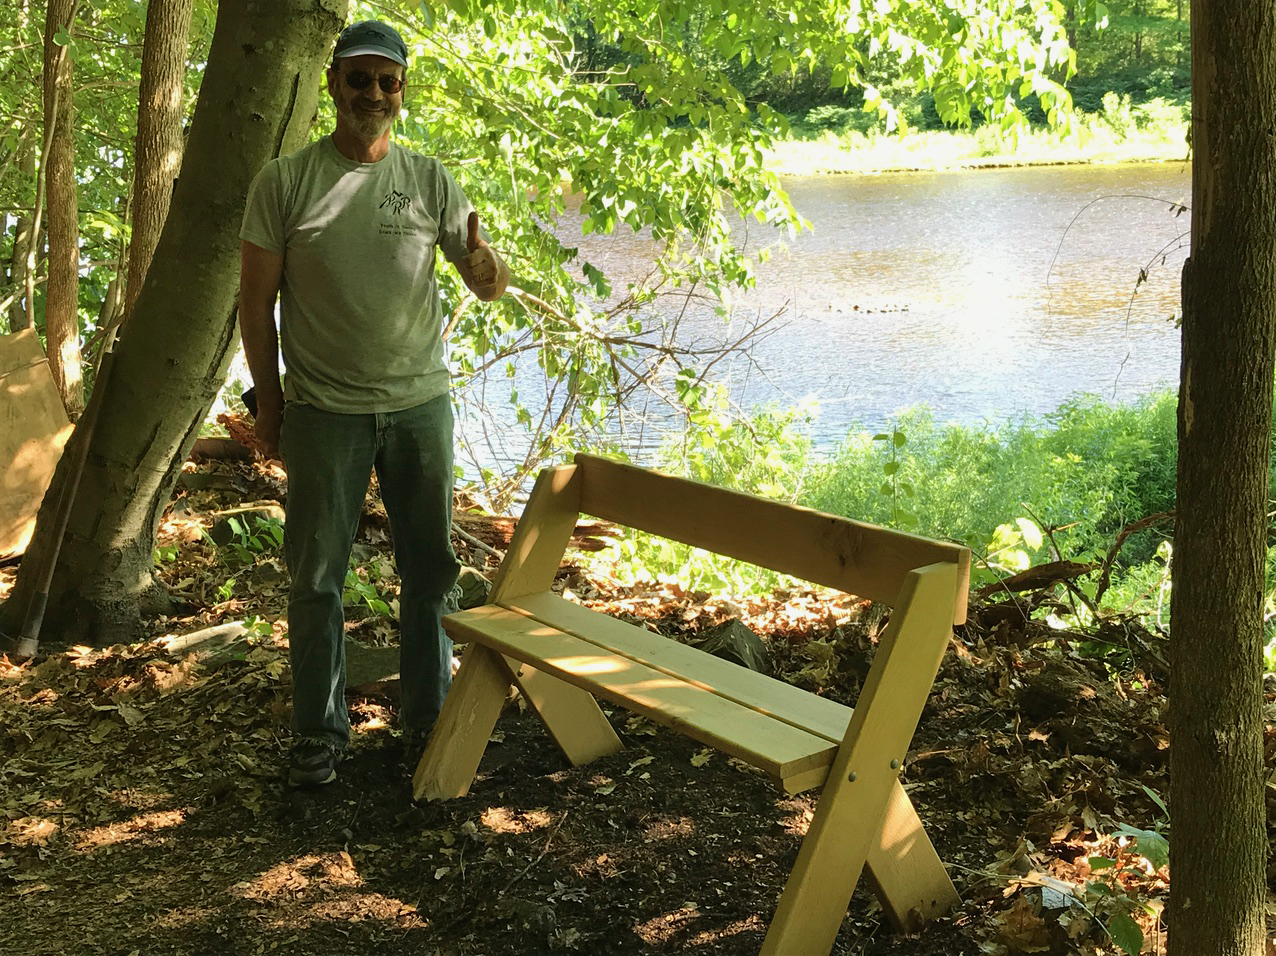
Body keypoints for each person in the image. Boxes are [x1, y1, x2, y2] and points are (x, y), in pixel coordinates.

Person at [237, 19, 510, 788]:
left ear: (403, 90)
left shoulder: (428, 181)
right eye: (360, 79)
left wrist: (489, 264)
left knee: (431, 570)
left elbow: (485, 282)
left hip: (422, 408)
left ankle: (427, 721)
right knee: (316, 578)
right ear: (332, 85)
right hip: (324, 414)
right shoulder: (284, 182)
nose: (375, 94)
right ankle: (319, 737)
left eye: (388, 81)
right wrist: (269, 406)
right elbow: (255, 306)